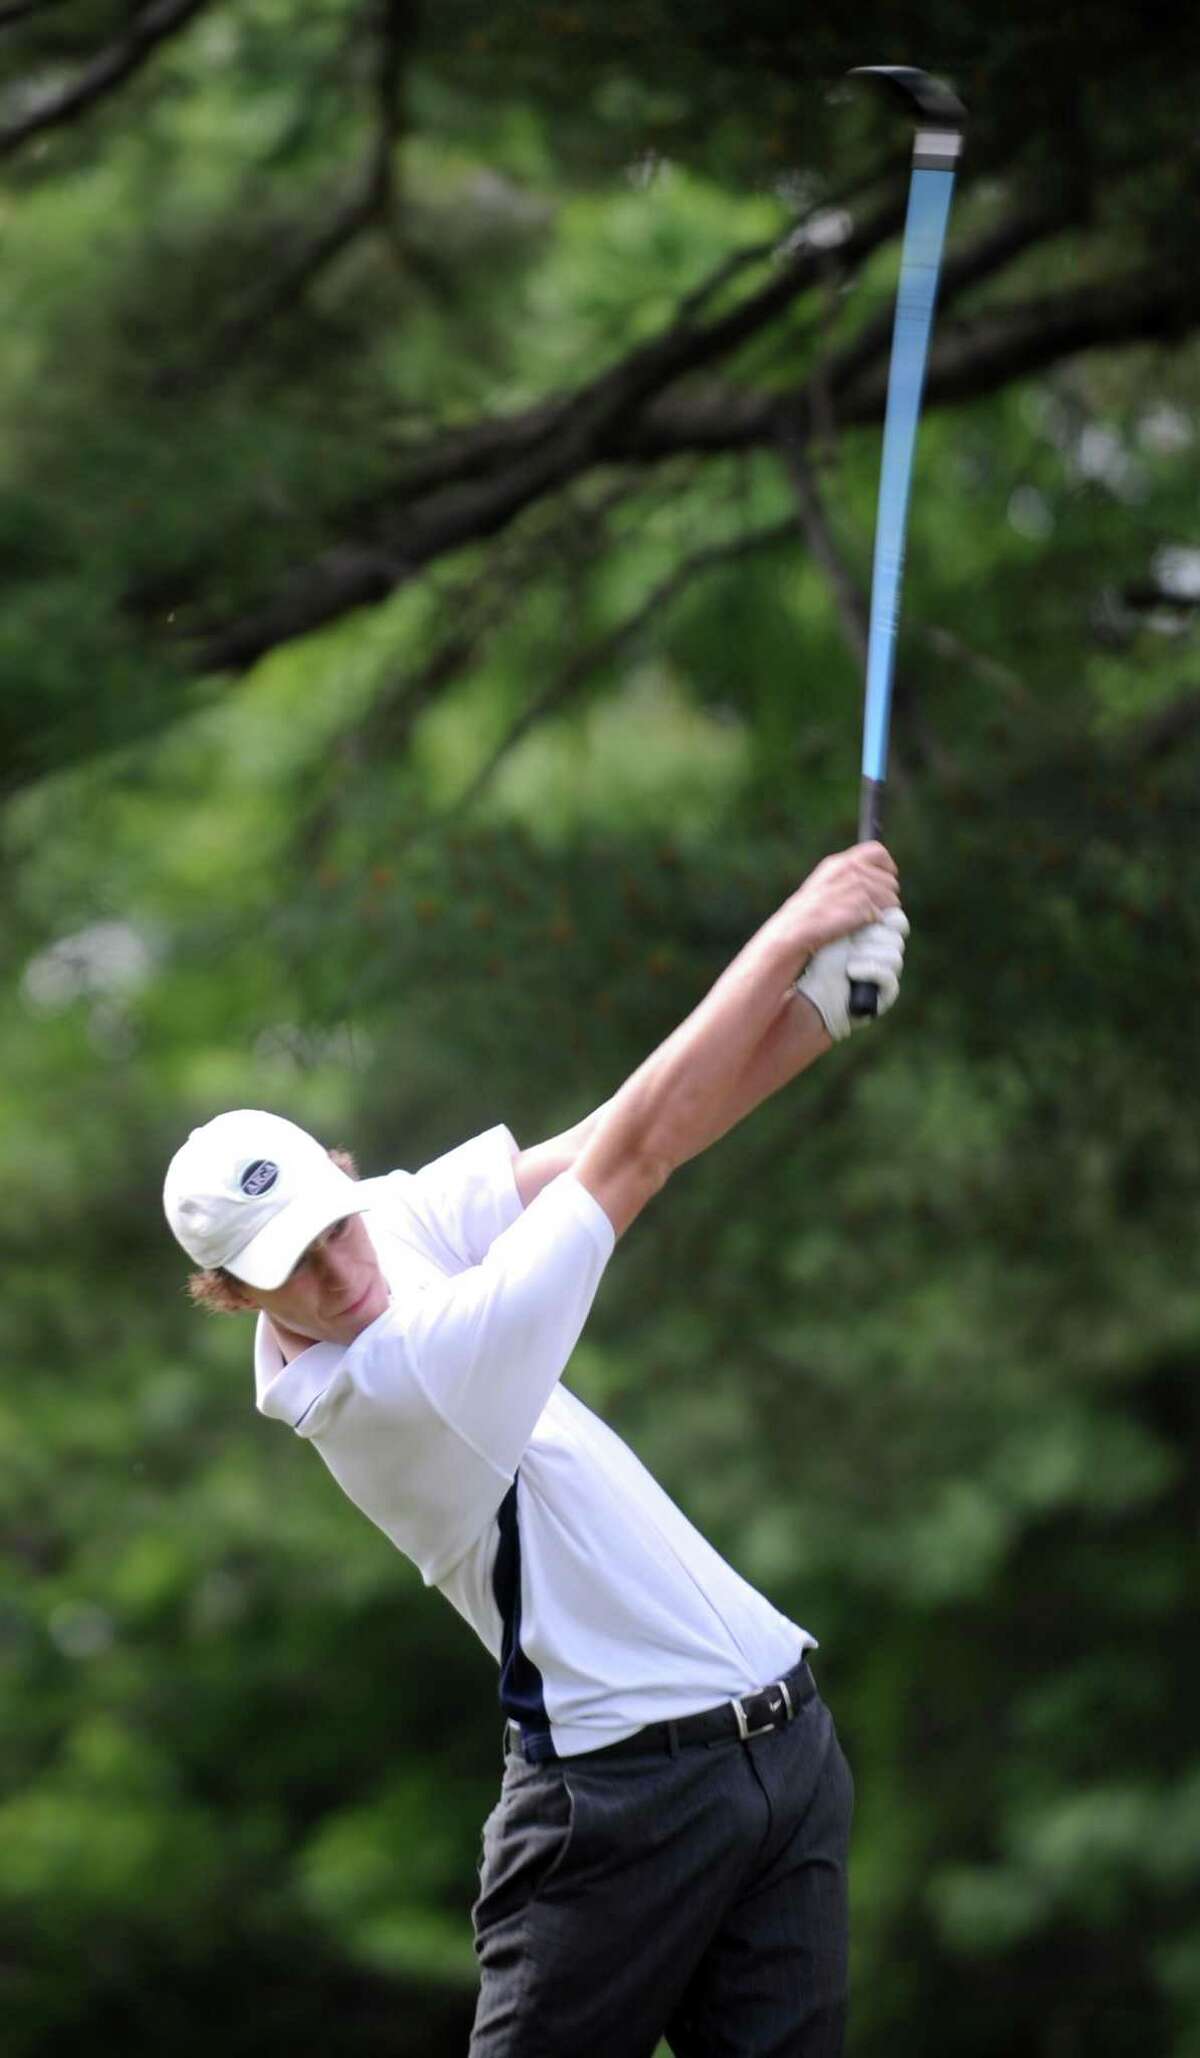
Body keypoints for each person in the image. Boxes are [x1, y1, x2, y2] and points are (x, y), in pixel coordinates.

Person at [163, 840, 907, 2058]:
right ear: (231, 1297)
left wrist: (817, 1014)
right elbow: (639, 1156)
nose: (337, 1271)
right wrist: (787, 939)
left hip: (787, 1750)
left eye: (330, 1227)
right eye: (285, 1270)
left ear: (344, 1178)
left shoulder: (385, 1225)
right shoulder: (399, 1386)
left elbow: (610, 1127)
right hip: (619, 1811)